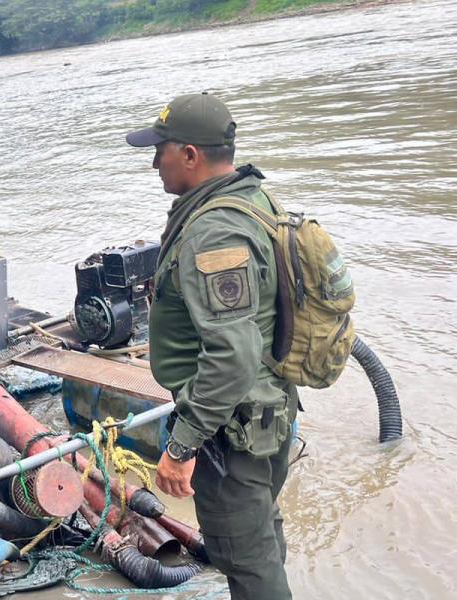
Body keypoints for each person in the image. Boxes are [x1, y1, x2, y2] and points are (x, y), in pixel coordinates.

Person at [127, 93, 296, 599]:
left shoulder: (215, 232)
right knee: (259, 538)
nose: (155, 161)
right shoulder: (251, 198)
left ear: (191, 154)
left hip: (234, 429)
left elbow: (233, 355)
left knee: (248, 563)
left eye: (161, 149)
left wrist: (181, 447)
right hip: (269, 412)